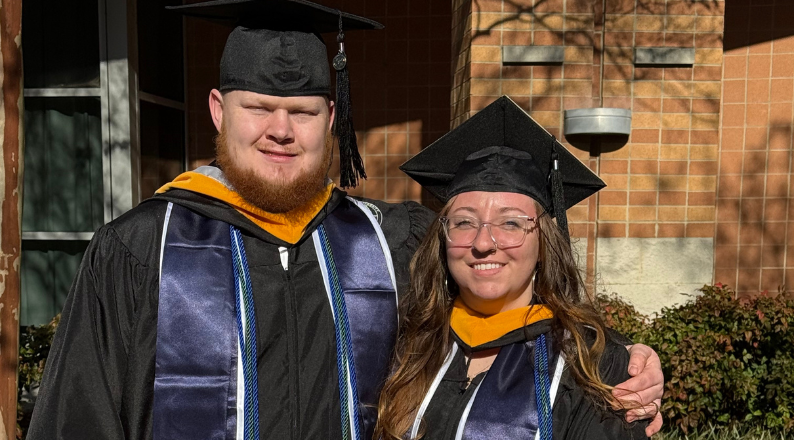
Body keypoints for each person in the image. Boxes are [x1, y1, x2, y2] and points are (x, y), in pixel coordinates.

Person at [27, 1, 663, 438]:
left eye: (302, 111)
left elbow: (506, 305)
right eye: (259, 108)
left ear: (332, 120)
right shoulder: (141, 249)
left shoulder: (392, 241)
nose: (280, 130)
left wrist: (626, 364)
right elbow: (77, 418)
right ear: (220, 110)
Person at [376, 96, 652, 440]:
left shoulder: (590, 365)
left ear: (543, 244)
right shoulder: (408, 346)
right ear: (442, 238)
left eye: (510, 223)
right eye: (464, 222)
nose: (482, 243)